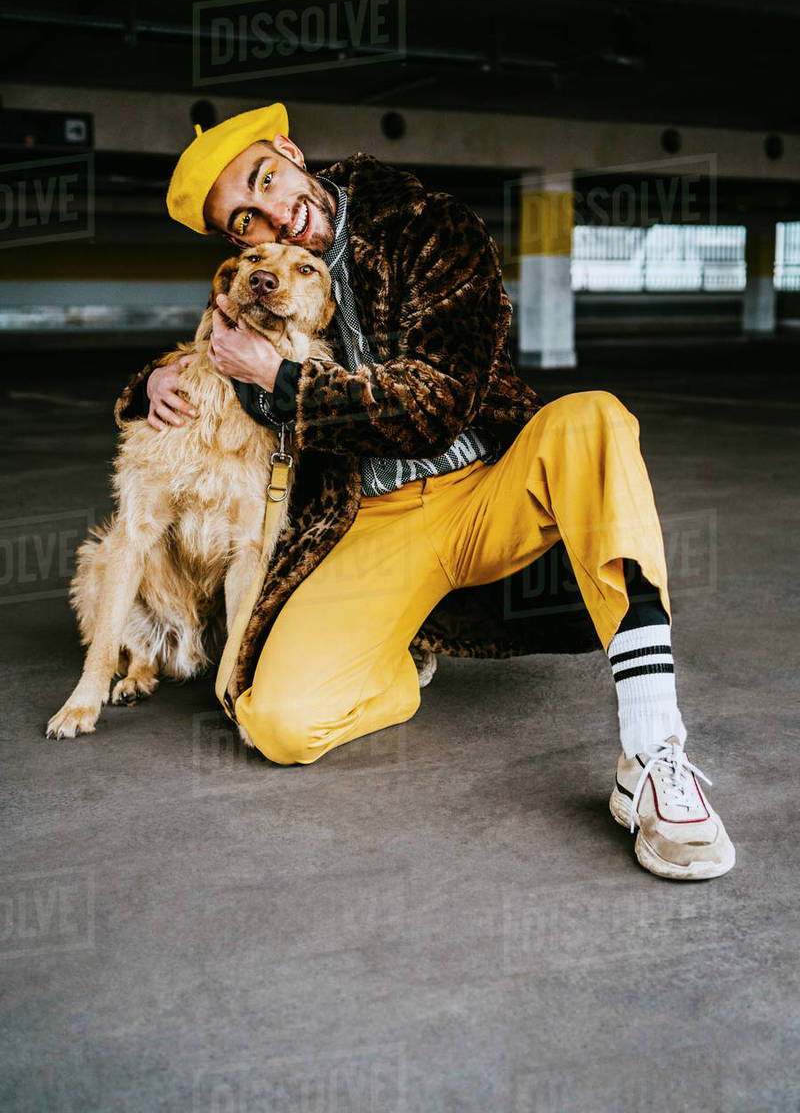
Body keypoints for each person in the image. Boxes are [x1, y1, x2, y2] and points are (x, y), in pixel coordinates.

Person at [115, 103, 735, 880]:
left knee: (593, 420)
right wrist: (156, 381)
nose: (273, 215)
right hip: (364, 523)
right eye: (244, 221)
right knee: (277, 723)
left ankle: (653, 750)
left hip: (487, 488)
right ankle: (398, 661)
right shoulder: (266, 282)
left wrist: (280, 379)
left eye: (265, 180)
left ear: (289, 151)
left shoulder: (428, 227)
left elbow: (433, 406)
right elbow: (213, 355)